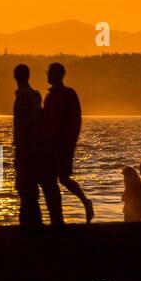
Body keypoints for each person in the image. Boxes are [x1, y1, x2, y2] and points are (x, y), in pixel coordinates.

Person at [43, 62, 92, 222]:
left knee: (62, 178)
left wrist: (69, 144)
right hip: (51, 147)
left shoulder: (68, 94)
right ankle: (58, 216)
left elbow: (75, 121)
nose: (48, 76)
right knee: (54, 180)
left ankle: (84, 202)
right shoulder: (50, 96)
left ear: (58, 75)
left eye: (50, 73)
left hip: (63, 146)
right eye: (48, 73)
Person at [11, 64, 45, 227]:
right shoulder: (35, 95)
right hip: (34, 148)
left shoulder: (24, 96)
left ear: (16, 77)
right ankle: (34, 222)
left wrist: (22, 145)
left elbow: (26, 124)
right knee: (30, 189)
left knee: (25, 188)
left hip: (26, 149)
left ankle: (28, 224)